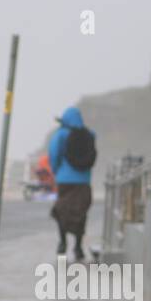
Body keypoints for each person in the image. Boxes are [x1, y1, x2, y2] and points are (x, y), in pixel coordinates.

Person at [48, 106, 96, 260]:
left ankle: (62, 242)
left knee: (62, 210)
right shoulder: (90, 135)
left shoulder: (61, 135)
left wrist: (57, 171)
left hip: (64, 180)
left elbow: (54, 155)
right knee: (81, 214)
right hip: (83, 181)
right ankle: (78, 247)